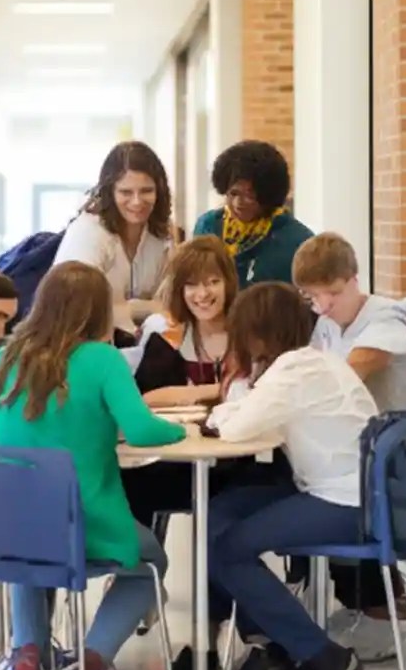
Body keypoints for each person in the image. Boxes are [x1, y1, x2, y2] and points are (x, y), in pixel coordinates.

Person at [0, 261, 188, 670]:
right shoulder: (102, 360)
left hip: (10, 526)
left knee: (29, 545)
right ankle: (91, 659)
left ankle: (28, 656)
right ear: (97, 313)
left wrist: (16, 444)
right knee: (151, 560)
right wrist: (180, 430)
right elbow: (141, 430)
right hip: (88, 523)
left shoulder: (7, 357)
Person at [205, 282, 373, 670]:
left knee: (228, 551)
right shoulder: (319, 360)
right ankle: (276, 642)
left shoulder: (293, 370)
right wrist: (230, 412)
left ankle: (323, 656)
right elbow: (249, 413)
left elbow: (236, 425)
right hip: (340, 488)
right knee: (219, 513)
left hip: (344, 501)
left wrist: (219, 417)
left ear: (260, 330)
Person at [293, 232, 406, 663]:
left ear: (354, 279)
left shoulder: (386, 319)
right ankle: (338, 606)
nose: (322, 306)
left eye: (332, 295)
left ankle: (379, 614)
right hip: (361, 455)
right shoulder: (326, 323)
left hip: (404, 468)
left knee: (320, 497)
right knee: (296, 481)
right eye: (312, 298)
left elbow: (356, 369)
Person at [119, 236, 236, 531]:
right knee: (131, 482)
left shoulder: (248, 332)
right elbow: (145, 398)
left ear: (228, 283)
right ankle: (142, 572)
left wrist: (187, 394)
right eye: (191, 285)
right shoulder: (171, 334)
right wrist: (217, 390)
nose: (202, 294)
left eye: (212, 281)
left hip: (238, 458)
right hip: (180, 456)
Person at [53, 140, 175, 333]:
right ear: (110, 192)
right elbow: (75, 307)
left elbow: (168, 305)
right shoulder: (89, 231)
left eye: (146, 191)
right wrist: (139, 308)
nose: (137, 202)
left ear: (159, 191)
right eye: (126, 192)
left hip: (141, 346)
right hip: (83, 342)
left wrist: (128, 310)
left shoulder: (163, 233)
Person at [192, 140, 314, 289]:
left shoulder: (297, 241)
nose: (238, 203)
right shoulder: (208, 226)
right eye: (233, 193)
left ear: (268, 195)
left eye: (250, 196)